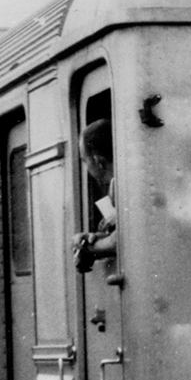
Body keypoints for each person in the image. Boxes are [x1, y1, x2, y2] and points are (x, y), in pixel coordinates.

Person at [71, 116, 118, 273]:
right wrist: (97, 238)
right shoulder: (113, 188)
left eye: (85, 161)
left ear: (99, 161)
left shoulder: (120, 186)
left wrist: (88, 249)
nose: (87, 168)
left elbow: (124, 238)